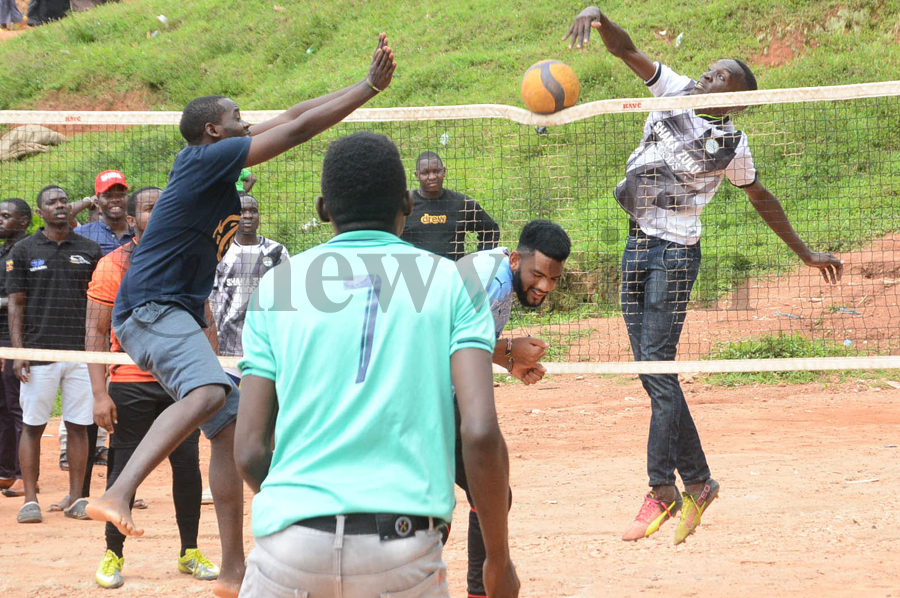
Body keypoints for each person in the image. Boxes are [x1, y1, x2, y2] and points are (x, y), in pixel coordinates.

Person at [85, 34, 397, 598]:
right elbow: (297, 131)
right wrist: (369, 89)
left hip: (175, 310)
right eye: (236, 117)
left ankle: (233, 571)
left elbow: (293, 115)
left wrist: (360, 83)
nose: (245, 122)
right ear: (213, 131)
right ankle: (119, 491)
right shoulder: (202, 159)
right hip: (150, 306)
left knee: (228, 430)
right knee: (208, 392)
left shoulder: (217, 166)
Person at [564, 7, 844, 544]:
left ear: (734, 100)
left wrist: (806, 253)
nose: (706, 77)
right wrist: (599, 17)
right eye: (709, 70)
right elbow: (626, 50)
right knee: (653, 372)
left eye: (719, 78)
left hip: (674, 256)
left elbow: (761, 198)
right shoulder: (675, 90)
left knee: (657, 366)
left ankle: (662, 489)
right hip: (635, 243)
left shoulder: (732, 146)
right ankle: (699, 481)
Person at [234, 131, 519, 598]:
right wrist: (497, 562)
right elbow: (481, 432)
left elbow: (248, 451)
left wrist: (302, 511)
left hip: (288, 548)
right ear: (407, 202)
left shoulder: (276, 287)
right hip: (402, 545)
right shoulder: (452, 283)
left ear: (323, 209)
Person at [87, 186, 217, 589]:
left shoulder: (185, 260)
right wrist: (99, 393)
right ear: (131, 220)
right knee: (123, 466)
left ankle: (189, 551)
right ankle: (112, 554)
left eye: (164, 206)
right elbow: (95, 332)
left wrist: (209, 374)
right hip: (131, 382)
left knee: (187, 467)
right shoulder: (113, 264)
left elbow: (206, 322)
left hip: (180, 383)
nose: (158, 212)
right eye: (148, 208)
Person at [457, 220, 570, 598]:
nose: (545, 286)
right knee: (482, 498)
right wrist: (508, 349)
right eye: (538, 274)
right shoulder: (492, 282)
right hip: (427, 397)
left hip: (439, 392)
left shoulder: (497, 272)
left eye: (553, 279)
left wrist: (509, 360)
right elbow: (443, 340)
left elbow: (466, 339)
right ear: (517, 259)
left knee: (489, 497)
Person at [7, 185, 102, 523]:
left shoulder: (90, 249)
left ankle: (77, 497)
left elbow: (99, 304)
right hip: (39, 351)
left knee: (78, 426)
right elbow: (16, 305)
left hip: (82, 354)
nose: (60, 205)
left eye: (63, 200)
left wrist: (100, 353)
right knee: (32, 425)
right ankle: (30, 500)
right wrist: (19, 352)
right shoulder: (23, 249)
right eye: (52, 202)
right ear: (40, 212)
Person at [210, 193, 289, 363]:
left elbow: (285, 296)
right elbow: (211, 297)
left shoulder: (276, 251)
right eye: (241, 211)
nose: (248, 216)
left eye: (253, 211)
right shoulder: (220, 251)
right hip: (227, 342)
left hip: (266, 340)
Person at [401, 151, 500, 262]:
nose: (432, 177)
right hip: (415, 271)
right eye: (425, 173)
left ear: (444, 171)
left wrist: (478, 262)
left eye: (436, 171)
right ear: (417, 175)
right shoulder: (404, 203)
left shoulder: (462, 203)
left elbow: (491, 230)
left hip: (453, 271)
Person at [0, 198, 31, 498]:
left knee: (17, 406)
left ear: (23, 221)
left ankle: (25, 475)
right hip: (0, 339)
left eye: (6, 216)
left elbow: (22, 299)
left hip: (16, 339)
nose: (0, 220)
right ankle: (6, 471)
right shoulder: (3, 252)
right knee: (2, 407)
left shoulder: (28, 250)